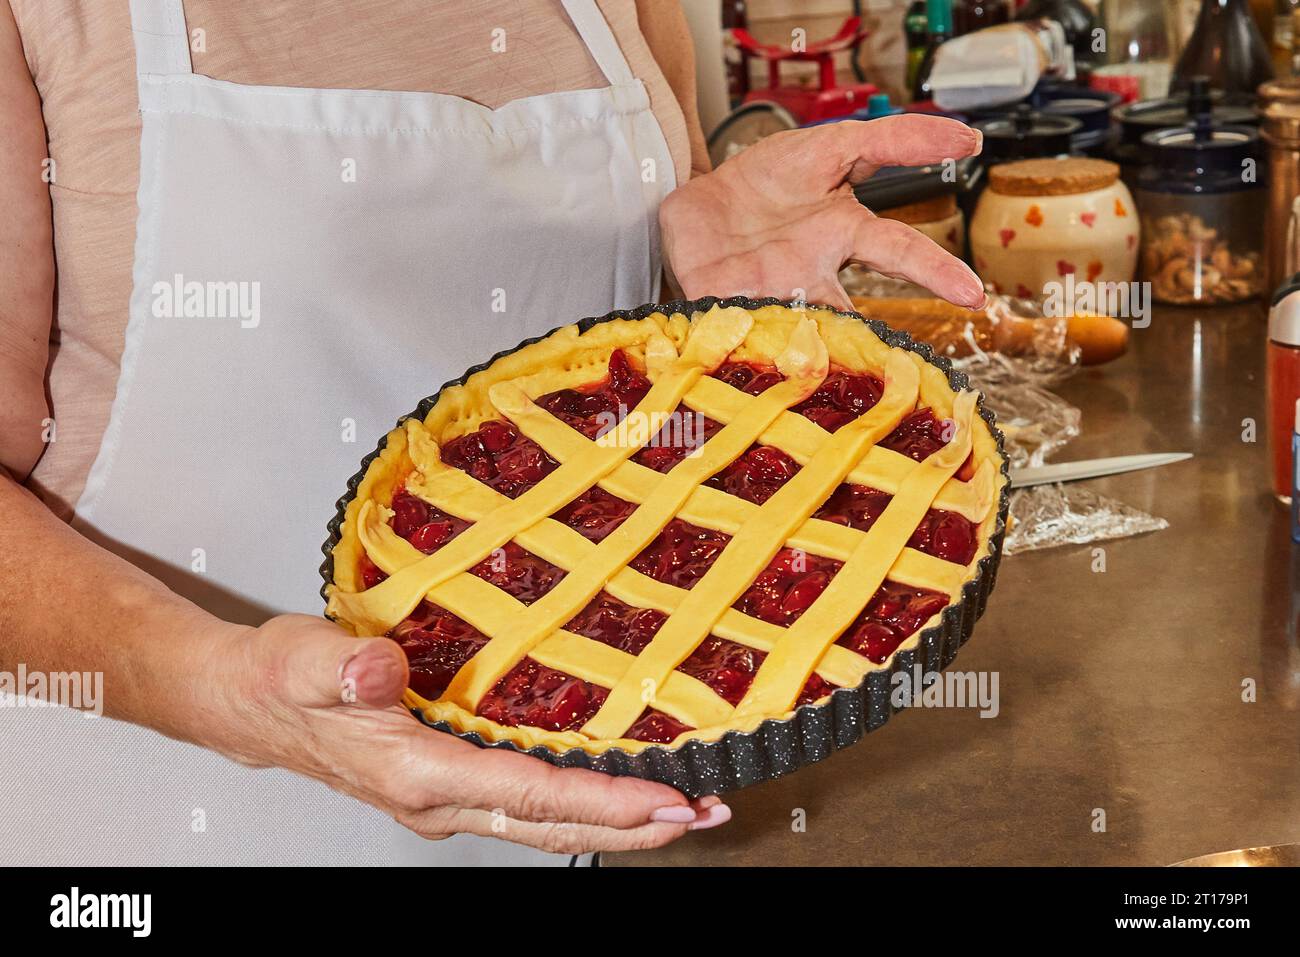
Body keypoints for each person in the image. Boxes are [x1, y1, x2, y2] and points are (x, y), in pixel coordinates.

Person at [0, 0, 984, 865]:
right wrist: (223, 694)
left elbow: (606, 374)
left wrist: (697, 261)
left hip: (568, 798)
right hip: (163, 809)